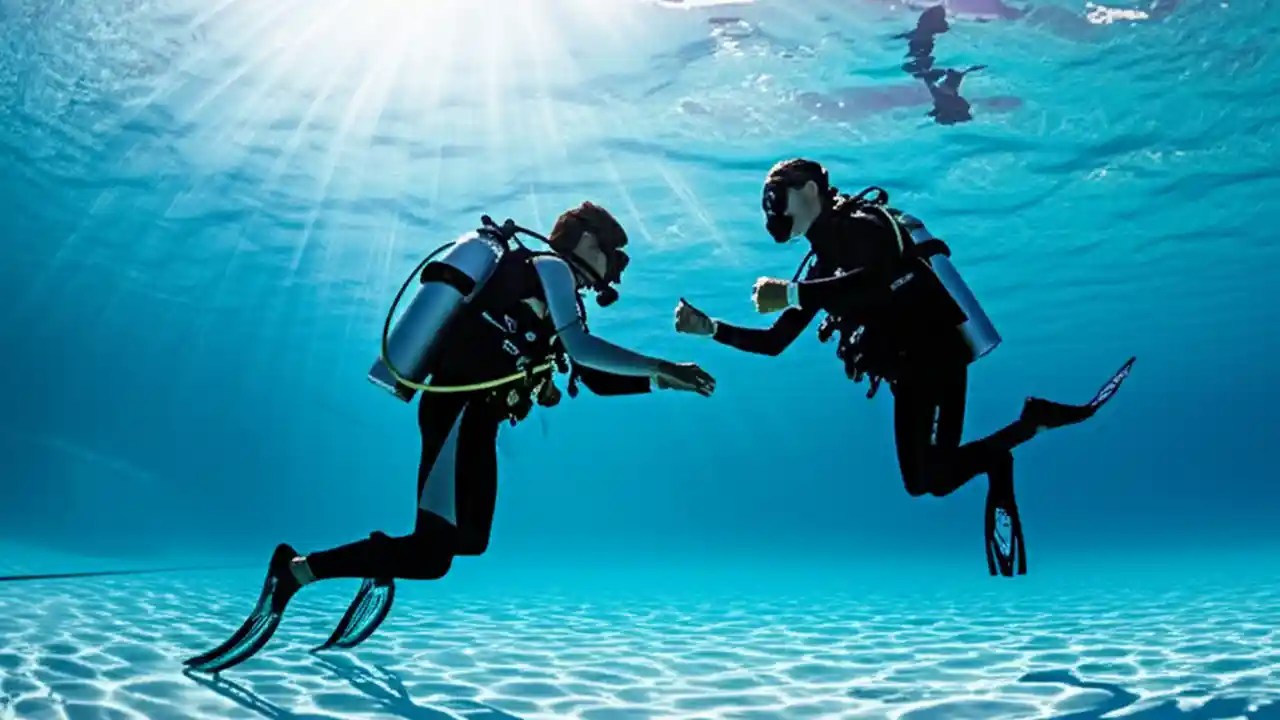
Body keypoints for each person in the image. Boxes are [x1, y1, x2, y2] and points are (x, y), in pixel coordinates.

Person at [187, 202, 716, 673]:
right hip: (459, 411)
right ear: (584, 242)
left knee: (468, 544)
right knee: (433, 553)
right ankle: (296, 572)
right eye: (613, 256)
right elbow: (581, 349)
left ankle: (380, 561)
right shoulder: (550, 267)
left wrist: (660, 381)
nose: (613, 271)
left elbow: (595, 378)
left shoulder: (544, 290)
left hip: (475, 420)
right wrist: (664, 364)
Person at [674, 158, 1134, 577]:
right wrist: (710, 329)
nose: (772, 208)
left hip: (938, 353)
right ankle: (1021, 432)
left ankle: (1020, 436)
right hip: (904, 372)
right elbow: (776, 342)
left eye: (777, 196)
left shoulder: (864, 226)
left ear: (810, 189)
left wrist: (795, 295)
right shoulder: (818, 266)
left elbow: (878, 281)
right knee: (923, 482)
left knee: (933, 475)